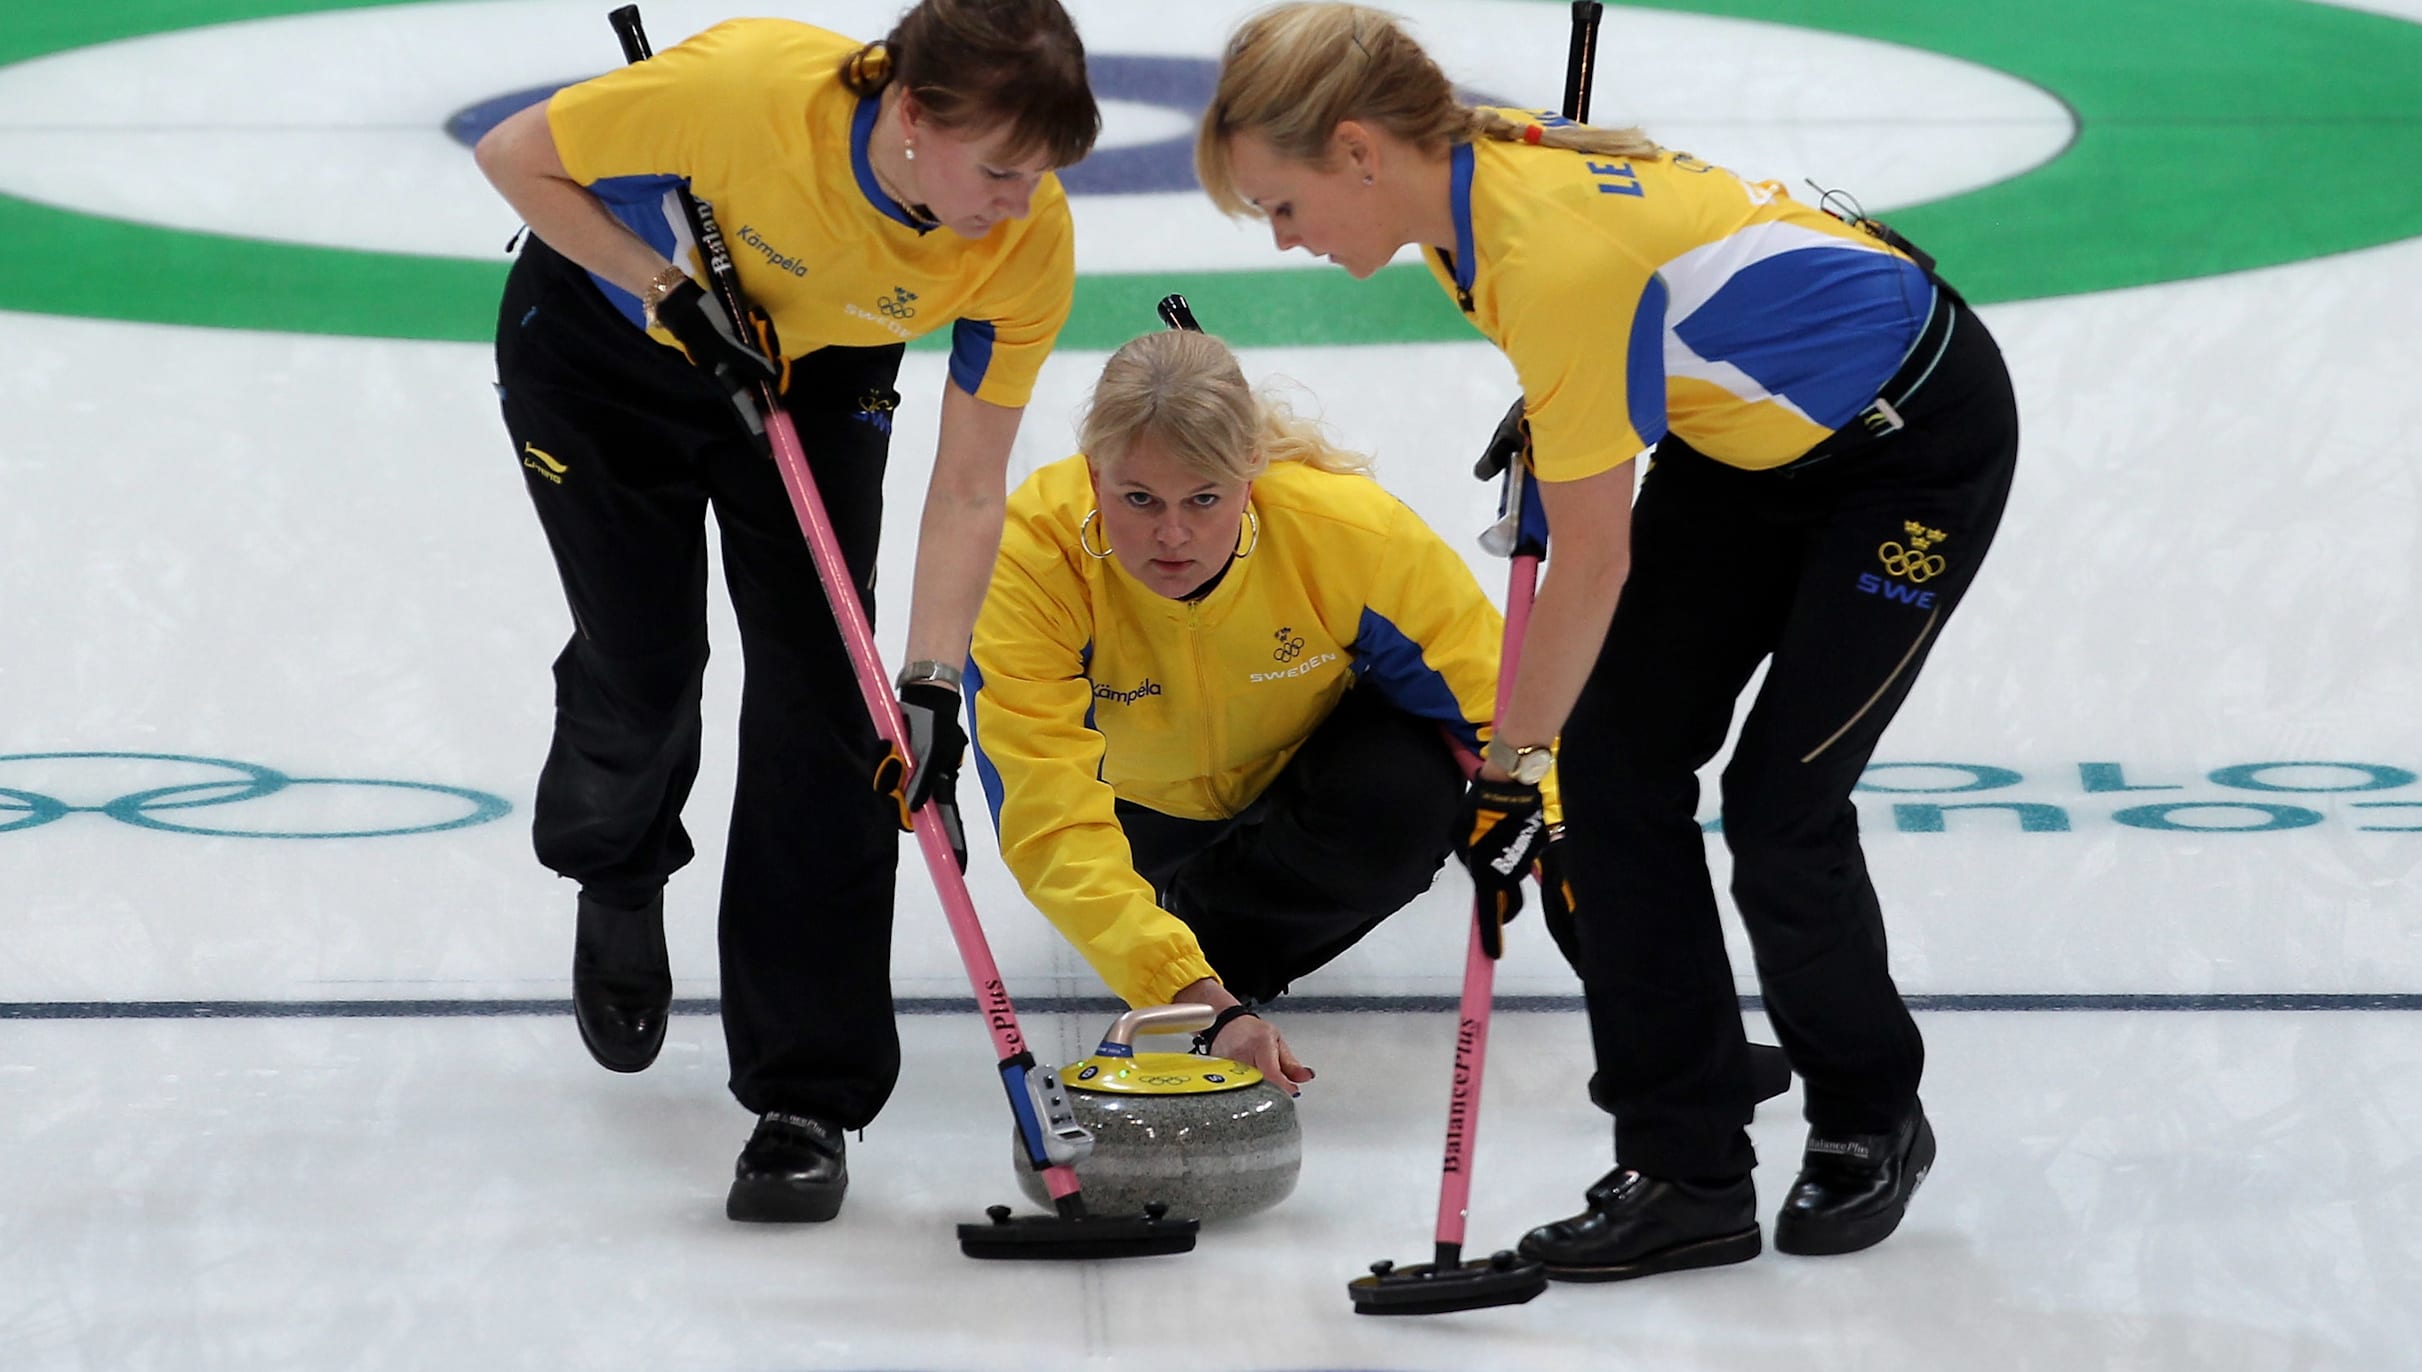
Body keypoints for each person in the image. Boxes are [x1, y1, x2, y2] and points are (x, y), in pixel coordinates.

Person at [1197, 3, 2018, 1279]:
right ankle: (1686, 1164)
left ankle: (1867, 1112)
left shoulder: (1541, 252)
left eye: (1282, 205)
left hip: (1906, 452)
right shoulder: (1463, 208)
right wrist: (1572, 404)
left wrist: (1508, 764)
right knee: (1620, 775)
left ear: (1359, 151)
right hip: (1740, 443)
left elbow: (1593, 557)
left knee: (1779, 804)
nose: (1286, 240)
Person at [472, 0, 1097, 1223]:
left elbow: (970, 486)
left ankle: (805, 1095)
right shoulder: (748, 94)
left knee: (837, 709)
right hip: (605, 349)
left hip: (811, 379)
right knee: (645, 661)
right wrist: (664, 287)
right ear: (913, 114)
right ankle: (618, 867)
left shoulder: (1024, 242)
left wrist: (927, 678)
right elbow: (515, 156)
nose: (1021, 202)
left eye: (1043, 175)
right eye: (1004, 169)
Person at [965, 327, 1563, 1089]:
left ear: (1252, 475)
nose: (1172, 535)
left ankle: (1205, 936)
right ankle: (1181, 935)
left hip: (1305, 779)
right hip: (1140, 820)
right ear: (1094, 473)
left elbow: (1505, 709)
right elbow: (1046, 813)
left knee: (1412, 793)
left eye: (1204, 499)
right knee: (1151, 932)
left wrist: (1569, 851)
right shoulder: (1028, 562)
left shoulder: (1345, 533)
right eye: (1138, 498)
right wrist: (1201, 1003)